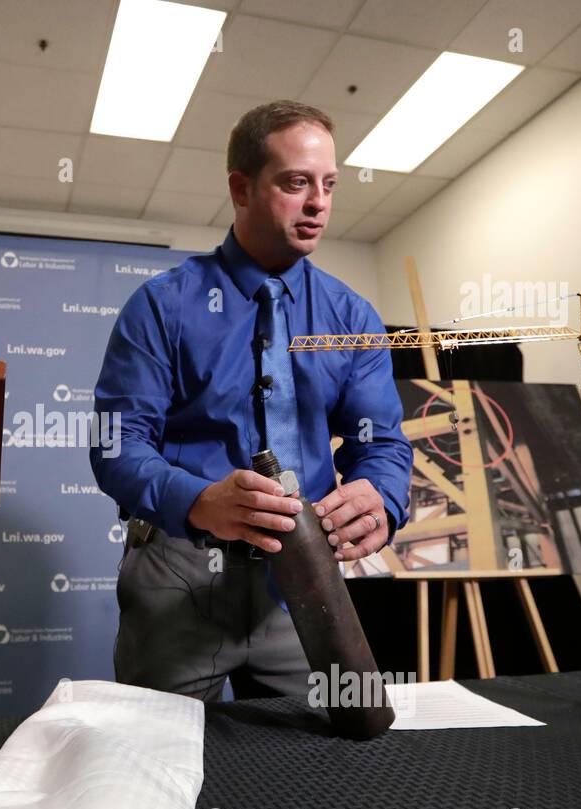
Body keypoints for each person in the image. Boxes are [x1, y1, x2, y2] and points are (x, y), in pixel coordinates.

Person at [90, 100, 412, 703]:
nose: (319, 203)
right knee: (158, 768)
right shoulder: (162, 306)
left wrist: (383, 496)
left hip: (303, 579)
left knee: (331, 762)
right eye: (296, 183)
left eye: (329, 185)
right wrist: (200, 500)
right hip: (179, 572)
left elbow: (382, 443)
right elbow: (116, 448)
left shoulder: (353, 316)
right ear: (241, 188)